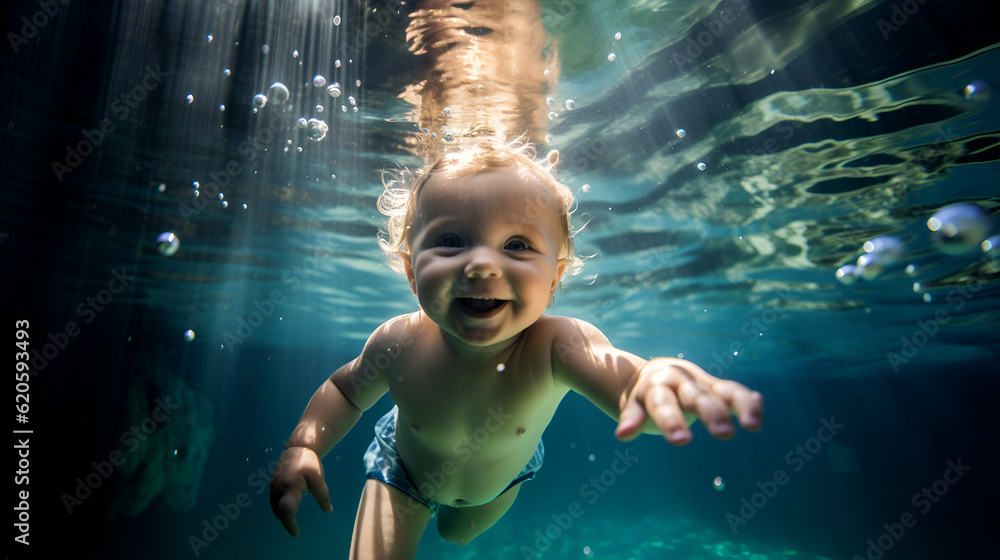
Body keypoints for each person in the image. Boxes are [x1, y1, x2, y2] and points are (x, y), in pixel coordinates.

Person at [269, 141, 764, 559]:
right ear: (409, 269)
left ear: (555, 278)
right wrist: (304, 444)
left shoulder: (558, 345)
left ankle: (458, 517)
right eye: (451, 240)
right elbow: (346, 389)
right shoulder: (397, 342)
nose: (482, 265)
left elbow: (628, 381)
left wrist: (655, 380)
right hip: (403, 471)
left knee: (456, 533)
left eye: (517, 245)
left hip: (499, 483)